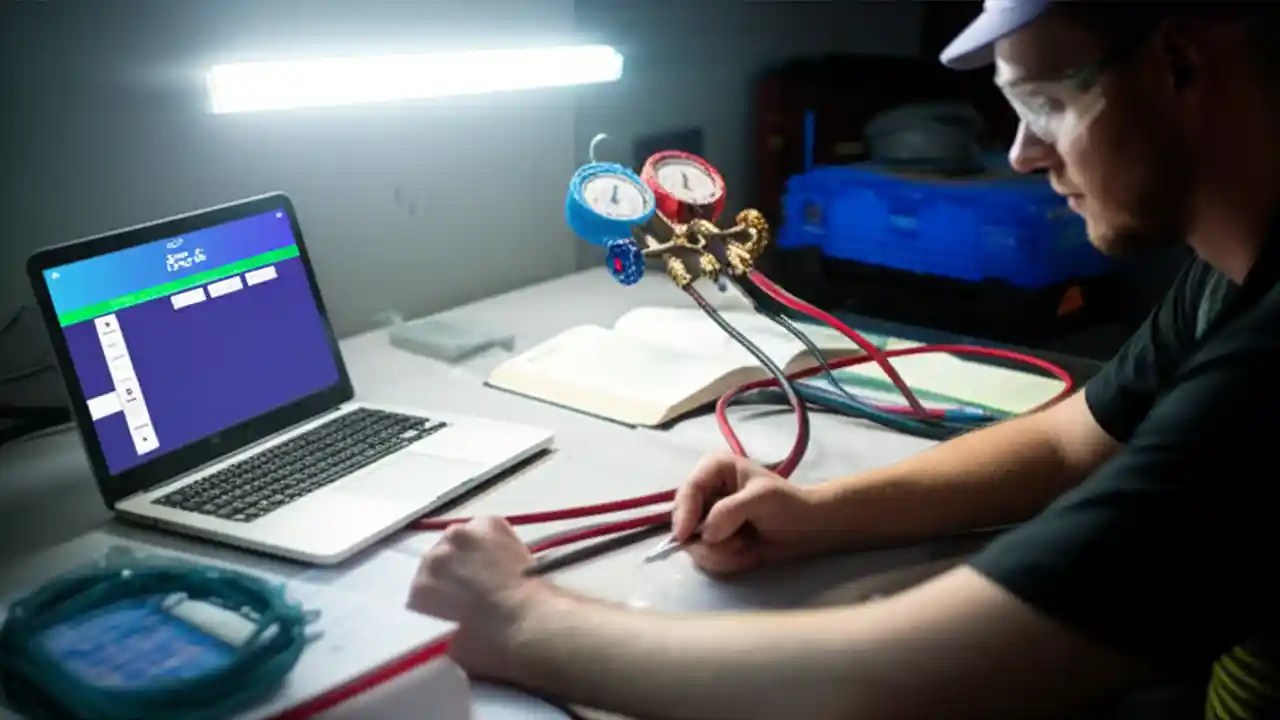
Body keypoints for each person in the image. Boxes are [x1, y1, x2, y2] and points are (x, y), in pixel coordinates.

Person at [407, 2, 1280, 718]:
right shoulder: (1225, 269)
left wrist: (517, 619)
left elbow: (908, 675)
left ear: (1179, 65)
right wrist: (821, 512)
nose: (1023, 153)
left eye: (1047, 102)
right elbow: (1071, 442)